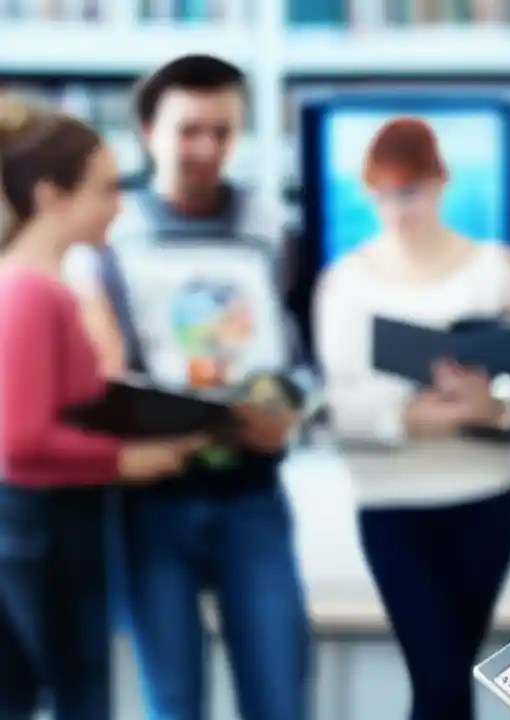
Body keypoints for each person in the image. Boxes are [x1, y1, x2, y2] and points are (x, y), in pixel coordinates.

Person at [63, 55, 312, 720]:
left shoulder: (270, 228)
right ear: (148, 130)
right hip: (151, 498)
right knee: (172, 700)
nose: (207, 149)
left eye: (223, 131)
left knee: (280, 693)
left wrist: (287, 409)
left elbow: (300, 353)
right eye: (189, 130)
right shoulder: (107, 233)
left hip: (252, 491)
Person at [314, 117, 510, 720]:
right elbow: (339, 408)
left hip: (483, 497)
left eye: (410, 191)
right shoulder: (346, 283)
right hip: (393, 505)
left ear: (440, 183)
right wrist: (412, 416)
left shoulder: (496, 268)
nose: (398, 208)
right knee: (435, 673)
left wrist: (492, 406)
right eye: (384, 194)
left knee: (451, 675)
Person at [0, 97, 207, 720]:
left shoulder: (44, 283)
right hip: (45, 528)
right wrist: (127, 457)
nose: (120, 204)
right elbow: (19, 441)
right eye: (105, 188)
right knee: (75, 695)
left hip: (43, 525)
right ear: (50, 195)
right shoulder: (34, 293)